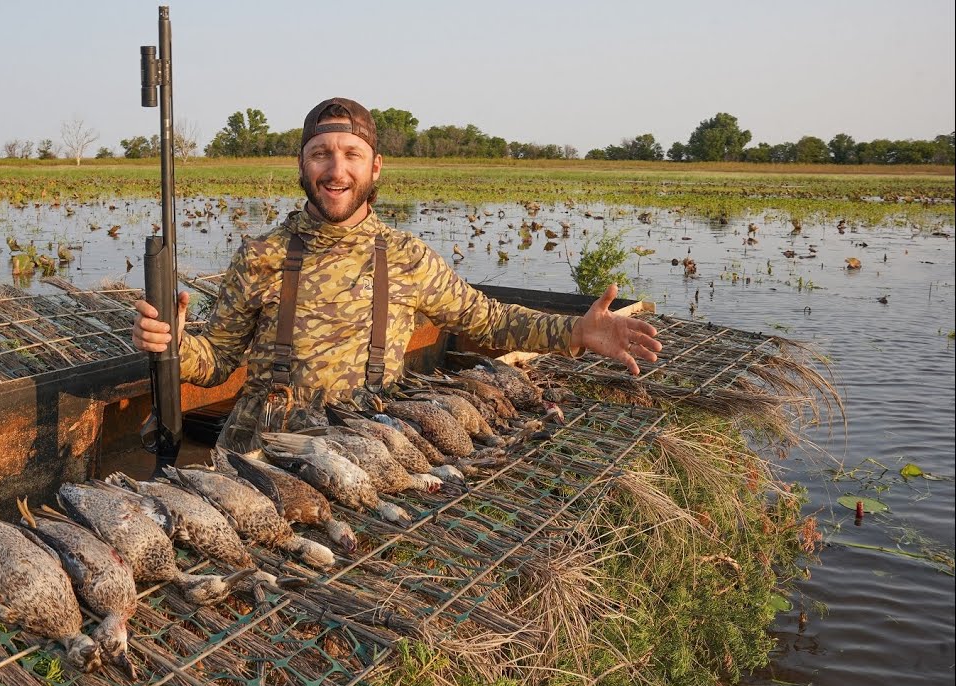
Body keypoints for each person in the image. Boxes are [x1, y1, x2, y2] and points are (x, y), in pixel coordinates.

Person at [132, 97, 661, 451]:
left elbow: (490, 321)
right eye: (320, 155)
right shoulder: (261, 256)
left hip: (368, 448)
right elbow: (216, 361)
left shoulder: (407, 257)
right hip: (261, 455)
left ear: (375, 167)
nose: (336, 171)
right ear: (301, 166)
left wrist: (574, 331)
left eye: (351, 155)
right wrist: (175, 343)